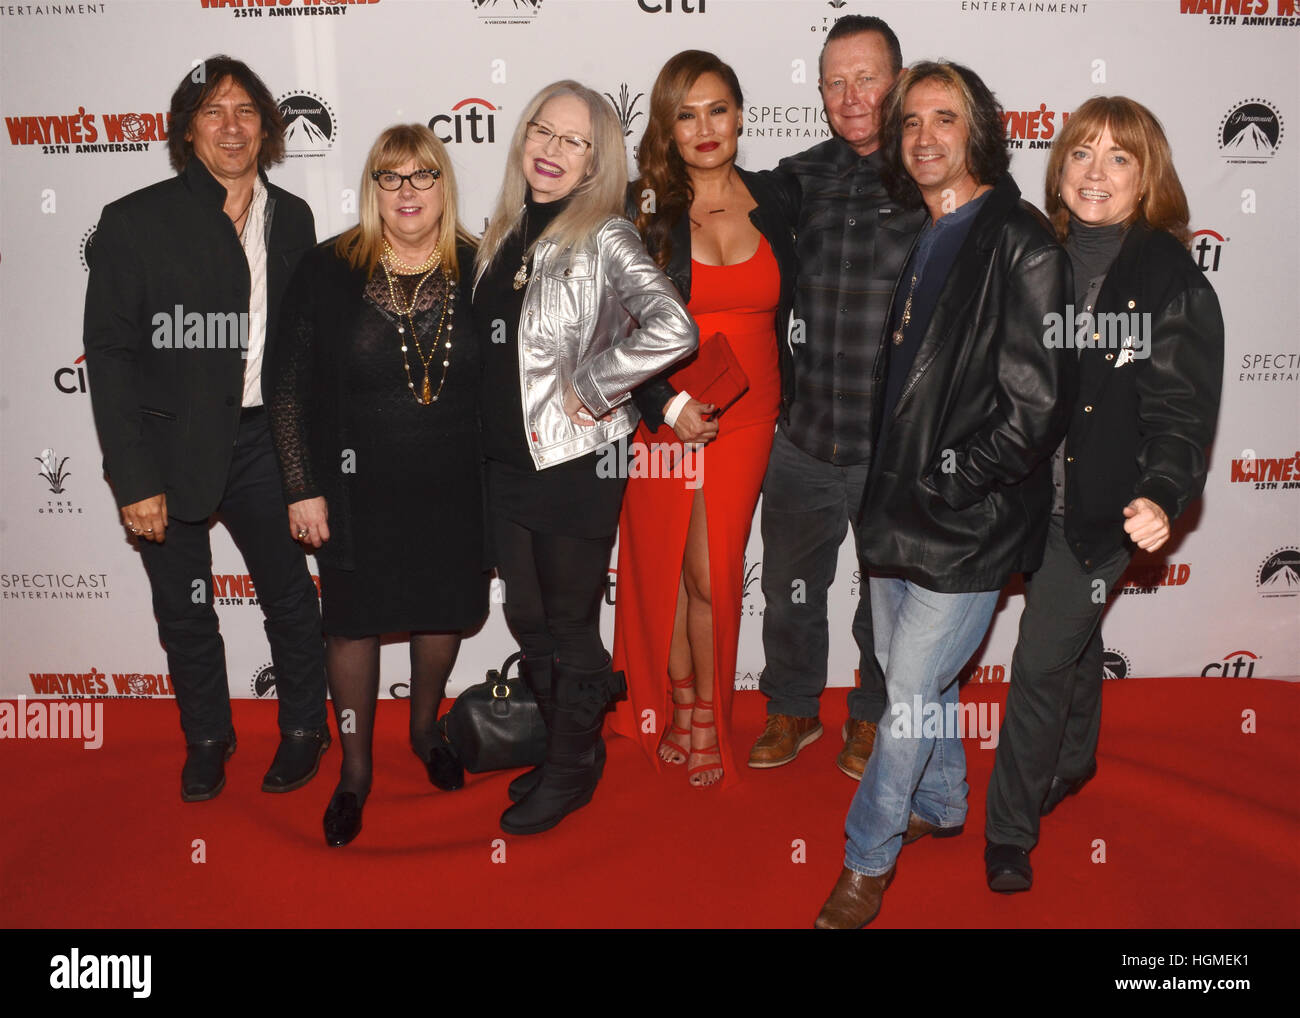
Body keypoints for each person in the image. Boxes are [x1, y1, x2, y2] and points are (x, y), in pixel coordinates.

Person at [815, 61, 1075, 929]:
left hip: (968, 519)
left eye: (945, 120)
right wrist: (902, 480)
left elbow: (1036, 407)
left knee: (909, 696)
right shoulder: (928, 231)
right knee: (913, 680)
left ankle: (866, 859)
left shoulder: (1022, 241)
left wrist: (953, 479)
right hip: (896, 506)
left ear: (979, 133)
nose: (925, 138)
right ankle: (948, 803)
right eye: (911, 122)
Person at [983, 97, 1224, 892]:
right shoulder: (1032, 249)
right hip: (1025, 503)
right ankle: (1077, 759)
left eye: (1120, 158)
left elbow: (1181, 412)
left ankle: (1008, 831)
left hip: (1104, 513)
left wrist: (1162, 492)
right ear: (1060, 168)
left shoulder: (1168, 277)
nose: (1096, 172)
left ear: (1147, 176)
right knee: (1072, 638)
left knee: (1040, 659)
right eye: (1082, 152)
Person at [83, 56, 327, 803]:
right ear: (188, 129)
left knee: (289, 597)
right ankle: (209, 740)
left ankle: (302, 731)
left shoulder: (295, 219)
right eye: (213, 112)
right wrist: (135, 478)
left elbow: (299, 354)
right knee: (187, 609)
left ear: (267, 126)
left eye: (246, 110)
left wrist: (306, 468)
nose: (231, 126)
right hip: (166, 452)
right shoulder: (134, 222)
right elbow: (112, 357)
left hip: (263, 443)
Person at [474, 80, 697, 834]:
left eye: (575, 141)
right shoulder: (505, 230)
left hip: (575, 463)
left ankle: (570, 771)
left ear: (597, 160)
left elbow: (674, 327)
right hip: (505, 463)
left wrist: (596, 384)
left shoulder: (605, 235)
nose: (552, 149)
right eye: (543, 130)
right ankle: (573, 746)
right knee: (527, 620)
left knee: (568, 626)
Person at [268, 125, 490, 847]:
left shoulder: (479, 266)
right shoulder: (328, 269)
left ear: (443, 184)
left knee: (440, 613)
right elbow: (289, 386)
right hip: (355, 493)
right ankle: (356, 771)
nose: (406, 191)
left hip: (456, 486)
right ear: (372, 188)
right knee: (352, 624)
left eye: (422, 176)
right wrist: (302, 487)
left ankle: (427, 731)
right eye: (390, 178)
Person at [607, 51, 797, 789]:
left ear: (742, 114)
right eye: (686, 114)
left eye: (717, 109)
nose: (705, 127)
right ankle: (683, 708)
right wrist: (664, 405)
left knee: (713, 574)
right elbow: (613, 328)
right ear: (668, 126)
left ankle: (708, 713)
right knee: (674, 568)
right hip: (665, 414)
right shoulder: (641, 208)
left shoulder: (779, 198)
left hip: (748, 417)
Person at [749, 15, 912, 779]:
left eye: (867, 77)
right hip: (804, 440)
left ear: (898, 81)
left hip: (894, 450)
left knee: (884, 610)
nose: (852, 96)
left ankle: (873, 720)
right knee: (787, 596)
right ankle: (791, 710)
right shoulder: (794, 179)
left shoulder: (935, 178)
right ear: (818, 92)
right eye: (836, 81)